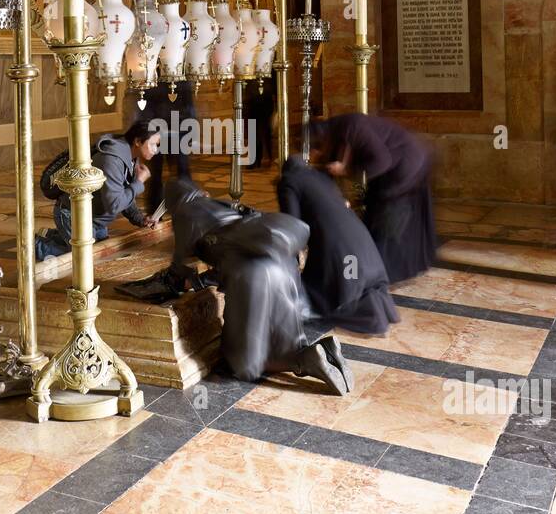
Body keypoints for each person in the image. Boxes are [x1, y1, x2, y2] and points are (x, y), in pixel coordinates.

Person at [164, 179, 353, 395]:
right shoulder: (223, 205)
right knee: (284, 340)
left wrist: (190, 281)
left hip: (254, 275)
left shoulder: (185, 214)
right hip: (284, 265)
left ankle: (304, 361)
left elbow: (182, 268)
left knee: (240, 363)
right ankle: (325, 350)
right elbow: (234, 242)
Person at [278, 155, 399, 335]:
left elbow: (293, 224)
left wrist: (289, 255)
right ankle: (377, 310)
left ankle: (371, 318)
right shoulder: (319, 176)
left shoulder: (289, 181)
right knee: (354, 277)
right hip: (359, 239)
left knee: (338, 290)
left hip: (338, 247)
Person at [311, 112, 437, 284]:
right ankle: (371, 271)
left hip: (404, 167)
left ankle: (378, 276)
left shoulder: (352, 127)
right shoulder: (338, 130)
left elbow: (382, 160)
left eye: (316, 148)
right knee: (375, 215)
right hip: (393, 168)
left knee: (385, 222)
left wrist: (346, 171)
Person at [35, 121, 162, 261]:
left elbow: (122, 193)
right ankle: (34, 246)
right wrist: (138, 183)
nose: (155, 149)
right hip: (73, 214)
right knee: (85, 259)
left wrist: (140, 219)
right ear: (138, 141)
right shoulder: (112, 159)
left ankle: (53, 236)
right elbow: (114, 204)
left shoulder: (130, 157)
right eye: (153, 144)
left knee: (103, 255)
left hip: (95, 218)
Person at [138, 78, 196, 214]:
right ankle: (154, 210)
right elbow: (146, 105)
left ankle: (189, 206)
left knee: (182, 170)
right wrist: (148, 133)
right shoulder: (151, 77)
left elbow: (189, 106)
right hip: (156, 130)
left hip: (178, 130)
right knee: (155, 173)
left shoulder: (181, 79)